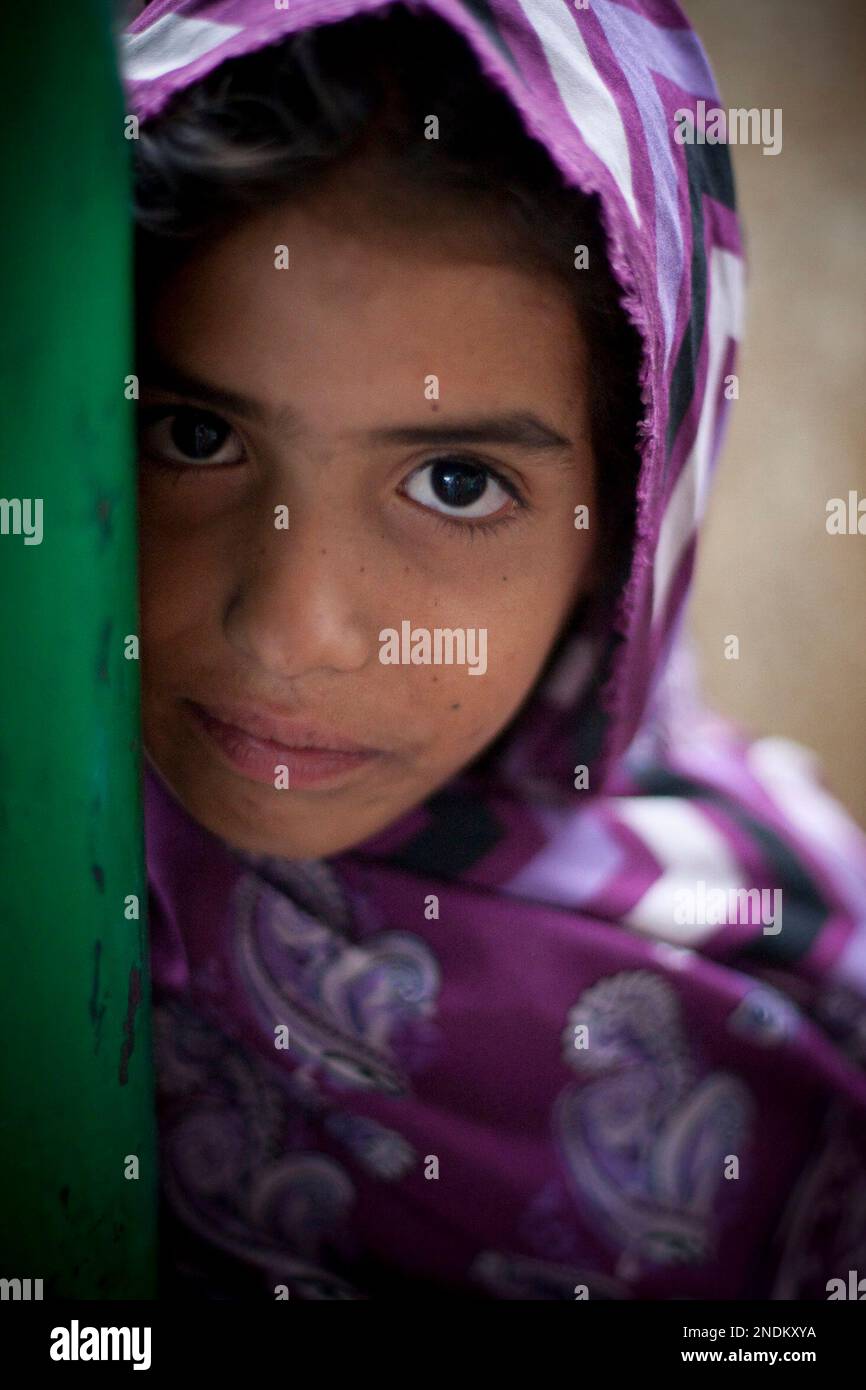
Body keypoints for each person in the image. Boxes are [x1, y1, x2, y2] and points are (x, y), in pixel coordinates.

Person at [122, 0, 866, 1299]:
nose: (293, 632)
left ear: (626, 524)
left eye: (456, 481)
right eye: (195, 437)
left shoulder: (794, 994)